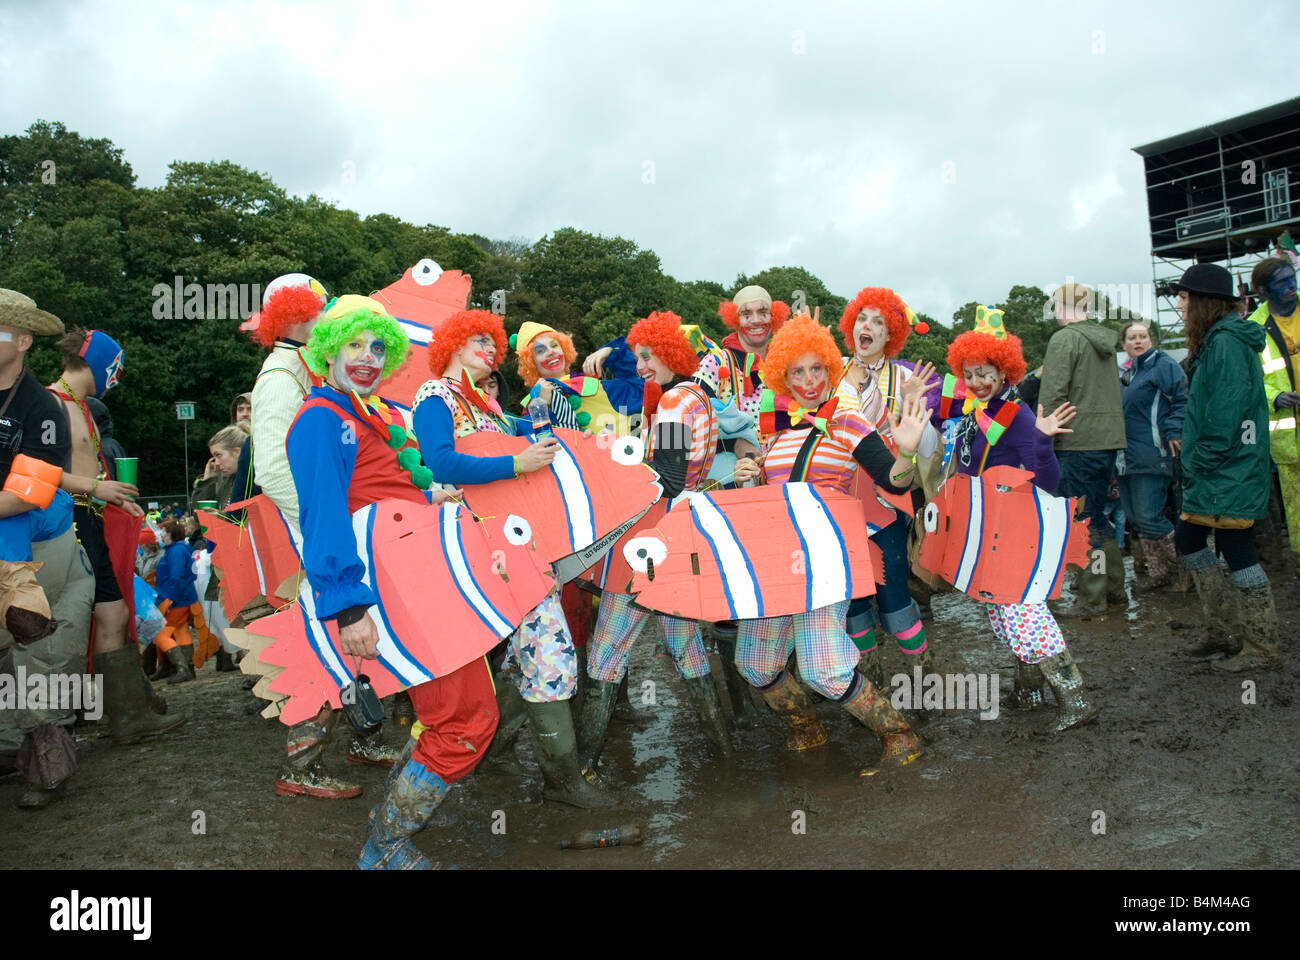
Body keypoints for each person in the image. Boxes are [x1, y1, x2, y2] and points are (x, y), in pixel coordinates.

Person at [412, 308, 609, 809]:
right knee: (545, 652)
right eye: (478, 339)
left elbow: (538, 431)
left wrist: (581, 433)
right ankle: (561, 781)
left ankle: (498, 755)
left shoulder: (492, 408)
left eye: (493, 342)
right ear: (453, 344)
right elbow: (437, 462)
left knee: (543, 654)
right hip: (472, 549)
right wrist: (515, 462)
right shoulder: (435, 397)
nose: (489, 349)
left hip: (512, 547)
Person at [735, 314, 925, 775]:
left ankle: (899, 735)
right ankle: (807, 726)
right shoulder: (775, 425)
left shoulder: (843, 418)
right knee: (755, 663)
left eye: (816, 369)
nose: (807, 380)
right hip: (776, 560)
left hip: (825, 559)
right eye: (796, 371)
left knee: (823, 668)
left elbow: (892, 478)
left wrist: (906, 452)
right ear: (783, 373)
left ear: (829, 368)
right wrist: (747, 478)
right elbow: (773, 485)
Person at [246, 275, 401, 799]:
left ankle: (366, 736)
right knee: (325, 646)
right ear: (294, 316)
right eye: (321, 308)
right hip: (311, 531)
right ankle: (301, 768)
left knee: (356, 637)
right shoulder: (280, 375)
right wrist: (323, 522)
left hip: (331, 530)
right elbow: (271, 466)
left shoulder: (314, 370)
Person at [577, 311, 750, 774]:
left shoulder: (673, 403)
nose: (642, 365)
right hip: (684, 536)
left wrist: (621, 466)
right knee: (687, 644)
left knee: (607, 651)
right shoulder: (699, 396)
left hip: (651, 540)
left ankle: (584, 770)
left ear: (671, 353)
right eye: (637, 357)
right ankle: (725, 751)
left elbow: (670, 477)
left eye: (648, 355)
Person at [938, 307, 1099, 730]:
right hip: (988, 528)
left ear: (1005, 371)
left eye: (985, 372)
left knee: (1023, 612)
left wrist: (1043, 442)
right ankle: (1029, 689)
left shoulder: (1020, 415)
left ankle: (1076, 699)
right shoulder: (977, 413)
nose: (976, 381)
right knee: (1001, 610)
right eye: (969, 373)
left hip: (1016, 530)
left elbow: (1046, 481)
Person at [46, 328, 185, 744]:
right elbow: (30, 470)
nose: (118, 380)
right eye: (117, 370)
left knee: (115, 614)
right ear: (102, 364)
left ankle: (127, 718)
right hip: (64, 526)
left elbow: (88, 469)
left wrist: (111, 498)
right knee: (63, 624)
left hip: (88, 520)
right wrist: (96, 490)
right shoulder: (49, 404)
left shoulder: (81, 405)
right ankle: (51, 729)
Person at [1169, 264, 1278, 669]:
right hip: (1220, 466)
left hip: (1227, 466)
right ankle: (1225, 632)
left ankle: (1261, 648)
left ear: (1203, 302)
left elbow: (1225, 413)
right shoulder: (1218, 341)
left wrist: (1199, 459)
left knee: (1236, 548)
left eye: (1184, 297)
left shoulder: (1227, 343)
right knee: (1191, 539)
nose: (1180, 305)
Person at [835, 286, 940, 684]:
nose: (869, 326)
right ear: (852, 325)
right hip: (837, 501)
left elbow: (926, 449)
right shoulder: (832, 371)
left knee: (893, 594)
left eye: (879, 322)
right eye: (863, 317)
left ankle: (925, 676)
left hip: (885, 501)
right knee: (852, 599)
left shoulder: (905, 377)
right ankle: (871, 682)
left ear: (891, 333)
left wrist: (914, 411)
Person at [1039, 283, 1127, 618]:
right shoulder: (1101, 341)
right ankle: (1114, 587)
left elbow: (1053, 393)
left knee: (1083, 522)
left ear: (1061, 307)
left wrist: (1040, 434)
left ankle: (1093, 599)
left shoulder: (1065, 339)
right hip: (1105, 440)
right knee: (1099, 517)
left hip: (1076, 441)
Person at [1116, 321, 1187, 590]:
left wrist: (1174, 429)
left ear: (1151, 340)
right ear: (1123, 345)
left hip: (1152, 453)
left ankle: (1188, 570)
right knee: (1135, 518)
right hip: (1125, 458)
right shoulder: (1125, 375)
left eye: (1143, 337)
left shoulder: (1164, 365)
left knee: (1149, 516)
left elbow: (1182, 398)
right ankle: (1160, 575)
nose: (1138, 341)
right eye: (1132, 338)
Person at [1247, 257, 1300, 578]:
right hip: (1288, 437)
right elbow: (1251, 380)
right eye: (1283, 282)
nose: (1292, 286)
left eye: (1293, 278)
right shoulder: (1253, 327)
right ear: (1264, 291)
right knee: (1295, 507)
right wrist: (1275, 397)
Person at [149, 519, 216, 684]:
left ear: (171, 534)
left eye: (164, 532)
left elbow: (176, 577)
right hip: (184, 597)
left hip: (175, 599)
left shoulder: (176, 552)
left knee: (160, 636)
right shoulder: (180, 549)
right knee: (181, 631)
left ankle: (183, 669)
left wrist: (170, 598)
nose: (162, 535)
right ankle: (188, 667)